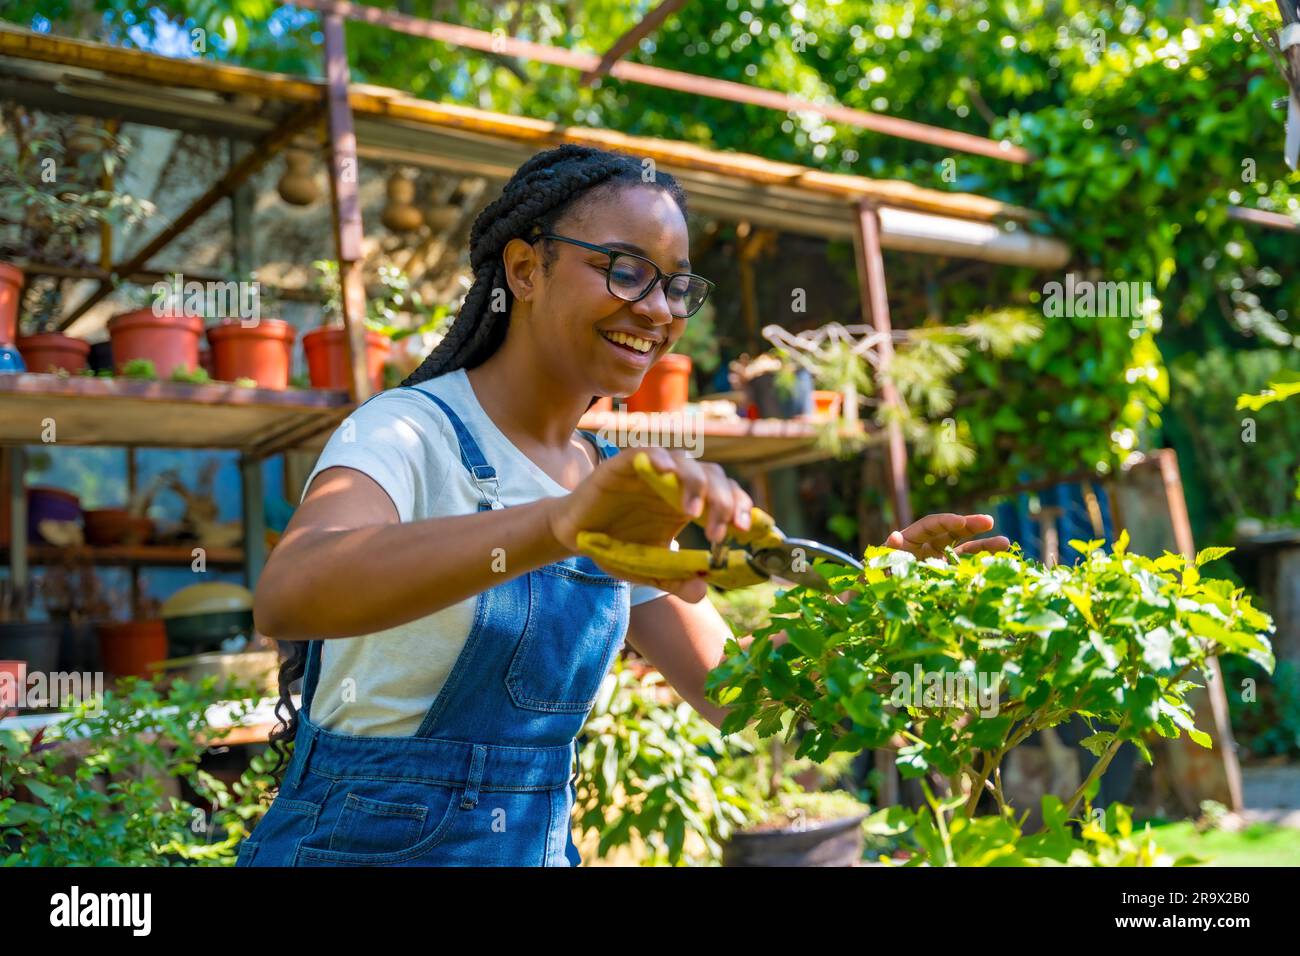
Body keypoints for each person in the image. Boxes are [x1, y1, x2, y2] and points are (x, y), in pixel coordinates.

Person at [241, 144, 1008, 867]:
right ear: (525, 268)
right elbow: (290, 594)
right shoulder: (406, 431)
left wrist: (891, 612)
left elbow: (744, 698)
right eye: (626, 271)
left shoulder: (617, 486)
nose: (659, 310)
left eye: (676, 286)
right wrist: (557, 524)